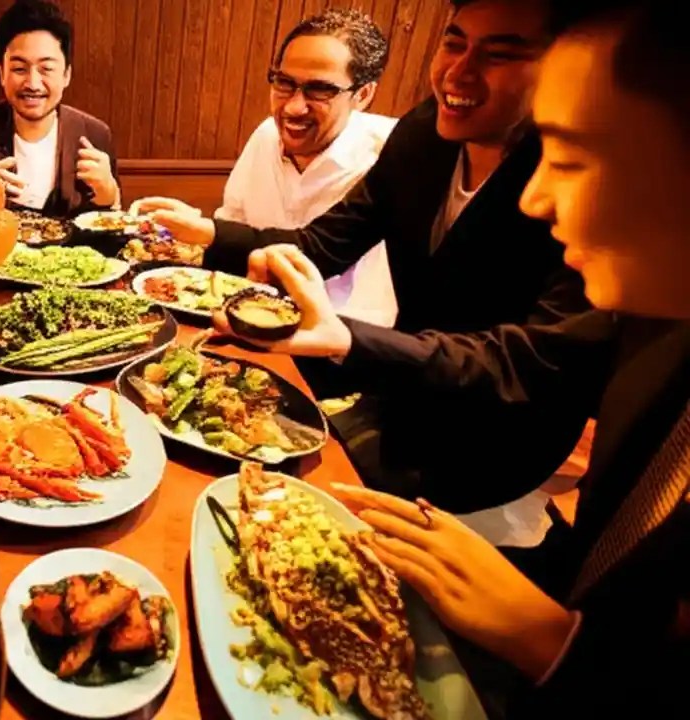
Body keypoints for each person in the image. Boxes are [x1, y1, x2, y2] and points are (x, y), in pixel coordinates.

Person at [331, 2, 689, 714]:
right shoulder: (660, 339)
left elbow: (526, 362)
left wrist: (549, 640)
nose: (535, 197)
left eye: (571, 156)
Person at [134, 0, 591, 531]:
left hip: (490, 438)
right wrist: (211, 233)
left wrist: (345, 340)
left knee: (276, 512)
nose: (459, 72)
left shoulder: (576, 177)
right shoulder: (425, 135)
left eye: (500, 54)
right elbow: (323, 242)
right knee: (203, 441)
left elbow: (530, 362)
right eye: (454, 42)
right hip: (398, 393)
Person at [217, 9, 398, 327]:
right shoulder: (266, 135)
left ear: (363, 94)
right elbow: (234, 223)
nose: (293, 107)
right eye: (284, 83)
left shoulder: (391, 153)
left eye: (320, 90)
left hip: (347, 340)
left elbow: (318, 252)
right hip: (249, 321)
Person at [0, 0, 120, 216]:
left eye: (46, 68)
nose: (33, 83)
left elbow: (115, 231)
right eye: (19, 68)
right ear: (2, 72)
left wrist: (110, 196)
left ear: (66, 74)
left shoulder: (96, 135)